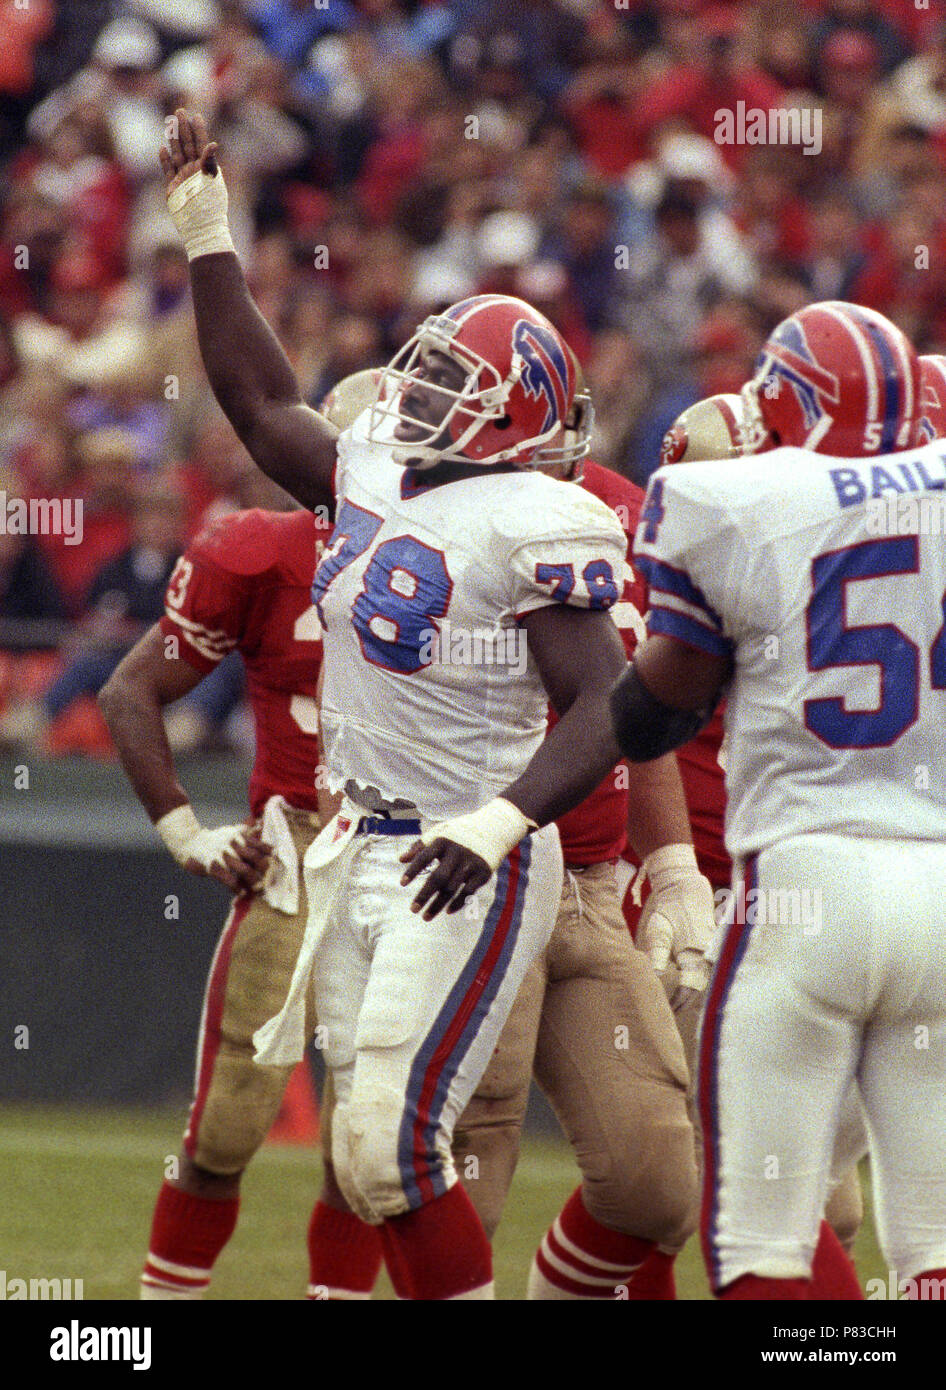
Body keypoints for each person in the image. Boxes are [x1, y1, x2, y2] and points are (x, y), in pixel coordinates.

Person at [160, 109, 702, 1300]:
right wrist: (207, 232)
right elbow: (258, 401)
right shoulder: (375, 470)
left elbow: (602, 704)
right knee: (373, 1163)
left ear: (515, 412)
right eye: (430, 363)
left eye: (456, 378)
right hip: (364, 843)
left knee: (393, 1143)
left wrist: (498, 824)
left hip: (472, 852)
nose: (419, 386)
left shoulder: (542, 518)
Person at [308, 380, 712, 1301]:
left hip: (585, 883)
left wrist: (673, 864)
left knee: (654, 1180)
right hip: (463, 874)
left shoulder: (618, 517)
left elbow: (628, 708)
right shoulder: (402, 504)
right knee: (435, 1165)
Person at [612, 300, 946, 1300]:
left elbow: (648, 719)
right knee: (930, 1238)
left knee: (760, 1238)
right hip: (937, 890)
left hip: (807, 885)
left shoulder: (736, 500)